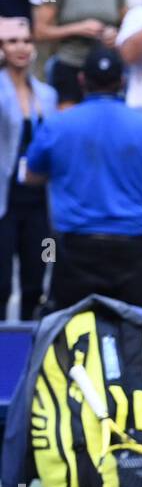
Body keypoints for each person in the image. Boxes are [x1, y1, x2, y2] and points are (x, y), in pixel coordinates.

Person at [24, 45, 142, 310]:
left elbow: (32, 175)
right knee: (134, 332)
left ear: (82, 80)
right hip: (133, 245)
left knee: (74, 335)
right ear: (123, 81)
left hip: (75, 246)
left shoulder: (58, 124)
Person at [0, 17, 54, 318]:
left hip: (38, 197)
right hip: (4, 197)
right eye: (11, 41)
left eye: (26, 40)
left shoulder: (46, 93)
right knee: (2, 281)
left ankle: (30, 347)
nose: (20, 47)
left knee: (36, 277)